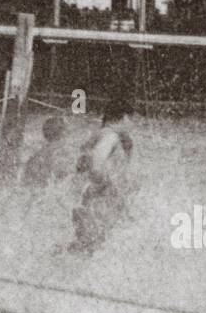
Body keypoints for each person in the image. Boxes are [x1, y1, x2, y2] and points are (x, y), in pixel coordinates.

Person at [65, 99, 135, 256]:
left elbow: (80, 167)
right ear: (124, 117)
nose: (132, 125)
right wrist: (106, 185)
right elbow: (97, 161)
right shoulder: (111, 136)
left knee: (84, 246)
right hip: (99, 200)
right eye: (131, 119)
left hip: (86, 199)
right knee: (96, 246)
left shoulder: (97, 134)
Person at [21, 115, 72, 188]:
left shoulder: (35, 156)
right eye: (67, 132)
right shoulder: (59, 156)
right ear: (62, 135)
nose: (69, 136)